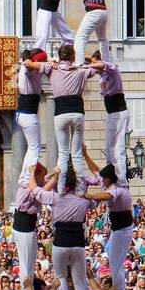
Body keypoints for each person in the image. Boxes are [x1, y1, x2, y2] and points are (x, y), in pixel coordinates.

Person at [23, 44, 95, 194]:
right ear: (73, 57)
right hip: (77, 112)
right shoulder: (80, 70)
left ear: (60, 56)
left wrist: (50, 61)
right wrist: (84, 59)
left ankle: (61, 189)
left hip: (60, 112)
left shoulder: (51, 68)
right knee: (76, 154)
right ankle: (80, 189)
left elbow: (27, 63)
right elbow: (98, 66)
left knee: (63, 153)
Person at [29, 163, 99, 290]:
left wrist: (31, 173)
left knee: (60, 277)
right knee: (79, 279)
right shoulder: (84, 200)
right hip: (78, 243)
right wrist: (87, 194)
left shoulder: (56, 198)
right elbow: (96, 201)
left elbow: (36, 191)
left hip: (60, 242)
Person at [84, 164, 135, 290]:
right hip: (118, 229)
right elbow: (96, 171)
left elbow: (107, 195)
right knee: (115, 264)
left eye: (104, 179)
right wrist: (86, 154)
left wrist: (90, 195)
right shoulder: (111, 184)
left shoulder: (117, 189)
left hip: (123, 229)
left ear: (109, 178)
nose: (102, 181)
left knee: (116, 265)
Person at [87, 53, 128, 182]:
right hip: (112, 113)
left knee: (118, 148)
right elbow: (93, 59)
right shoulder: (104, 73)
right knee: (109, 148)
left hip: (119, 112)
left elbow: (103, 64)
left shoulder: (112, 69)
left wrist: (85, 66)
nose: (93, 67)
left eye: (95, 63)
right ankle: (112, 175)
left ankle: (121, 179)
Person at [10, 49, 44, 179]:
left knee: (31, 147)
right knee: (35, 147)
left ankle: (24, 176)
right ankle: (27, 179)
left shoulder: (24, 68)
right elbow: (33, 66)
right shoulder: (30, 70)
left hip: (23, 113)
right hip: (28, 114)